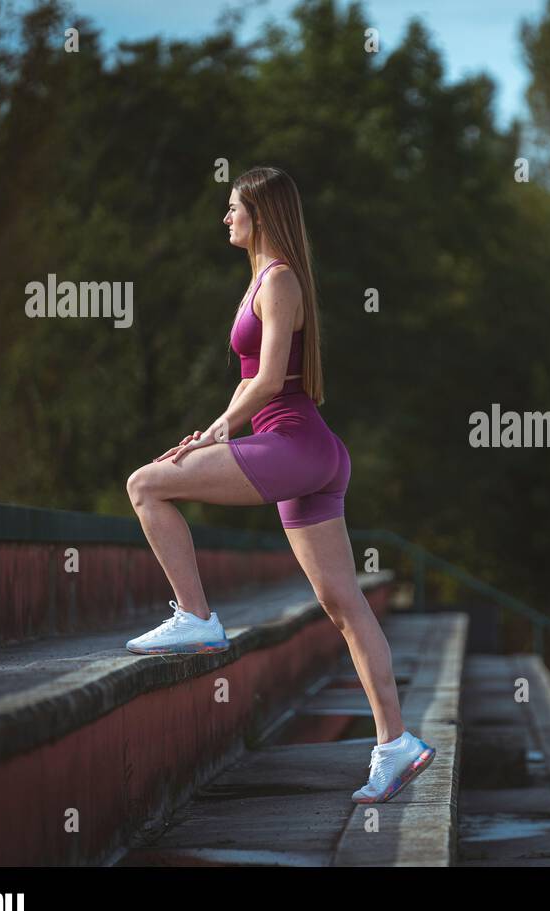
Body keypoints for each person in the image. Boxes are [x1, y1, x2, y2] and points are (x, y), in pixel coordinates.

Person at [123, 165, 434, 803]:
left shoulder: (282, 277)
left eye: (234, 207)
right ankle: (396, 745)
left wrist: (219, 434)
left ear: (261, 212)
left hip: (296, 444)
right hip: (302, 450)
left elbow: (267, 383)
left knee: (146, 487)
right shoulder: (265, 280)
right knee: (345, 607)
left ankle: (198, 617)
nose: (226, 217)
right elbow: (250, 382)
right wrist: (212, 429)